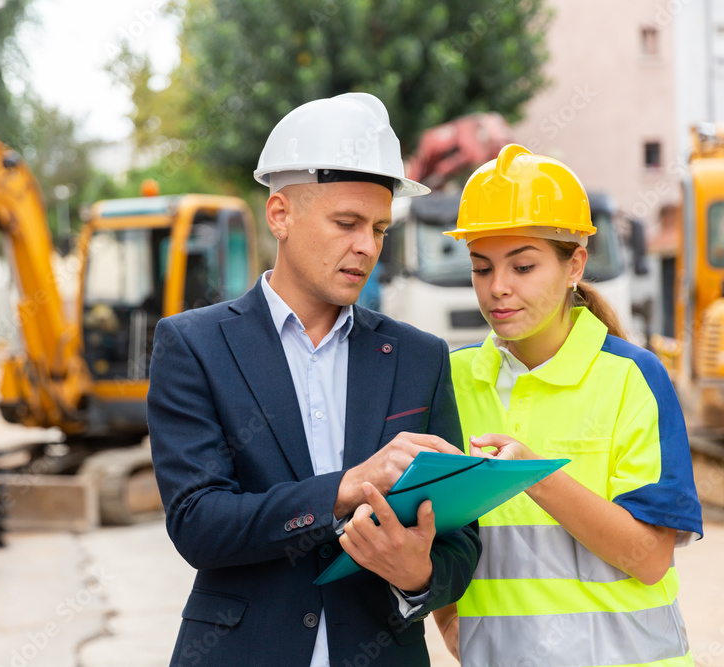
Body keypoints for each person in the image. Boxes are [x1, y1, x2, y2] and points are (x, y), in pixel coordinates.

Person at [147, 93, 482, 667]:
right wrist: (345, 488)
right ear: (280, 214)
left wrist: (418, 574)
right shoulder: (194, 346)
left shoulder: (419, 357)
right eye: (346, 223)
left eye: (379, 228)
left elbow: (461, 541)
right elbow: (198, 523)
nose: (366, 247)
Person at [427, 144, 703, 666]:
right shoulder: (452, 381)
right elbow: (436, 533)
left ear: (574, 263)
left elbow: (649, 559)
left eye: (523, 266)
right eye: (481, 268)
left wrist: (534, 476)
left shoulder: (632, 377)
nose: (498, 288)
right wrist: (450, 623)